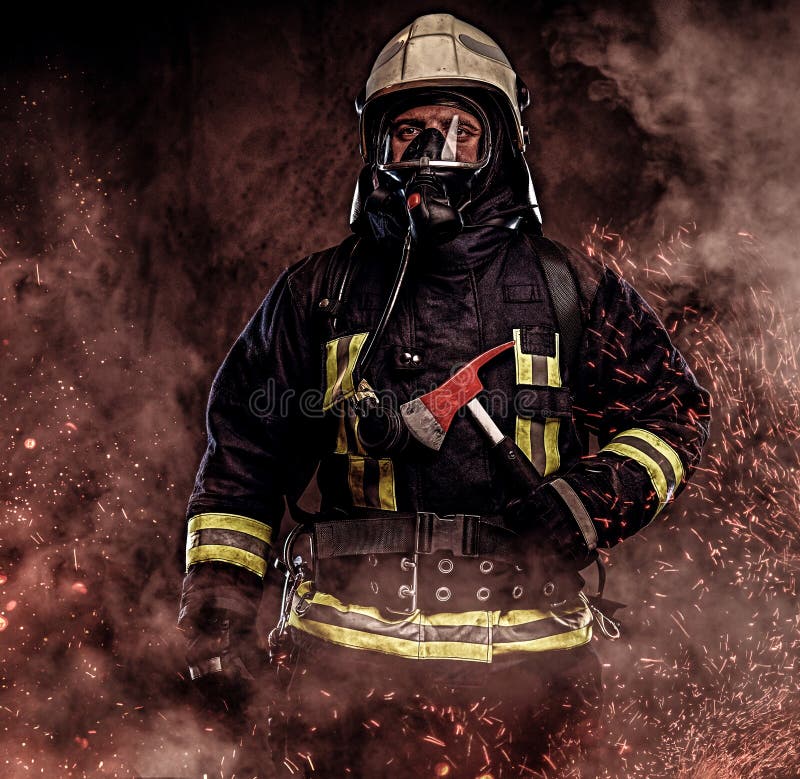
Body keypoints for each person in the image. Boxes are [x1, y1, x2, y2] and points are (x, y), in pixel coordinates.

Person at [178, 13, 711, 777]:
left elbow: (673, 414)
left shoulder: (571, 289)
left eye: (460, 130)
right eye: (410, 132)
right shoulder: (316, 294)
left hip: (533, 686)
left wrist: (588, 503)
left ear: (502, 147)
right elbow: (243, 464)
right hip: (341, 685)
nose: (433, 154)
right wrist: (219, 621)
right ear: (376, 149)